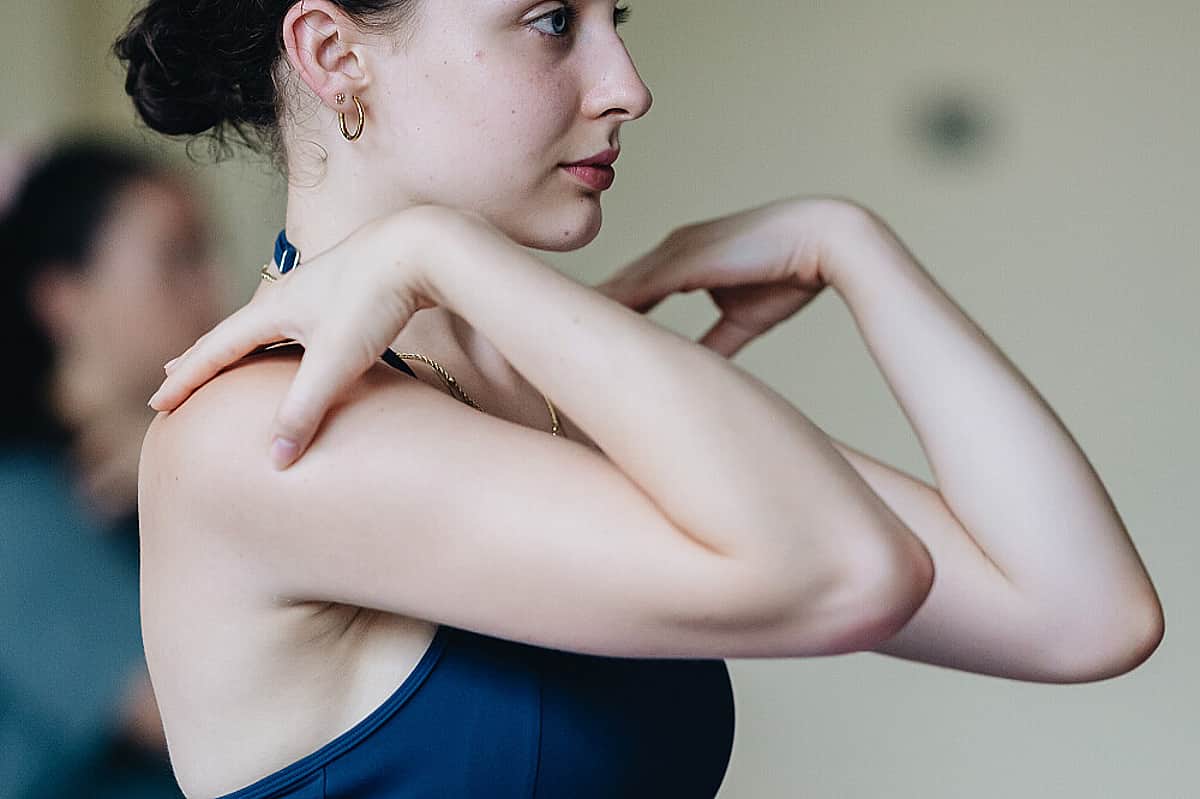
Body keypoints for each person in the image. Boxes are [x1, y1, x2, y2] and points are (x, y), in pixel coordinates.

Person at [119, 1, 1165, 797]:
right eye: (552, 21)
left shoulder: (550, 386)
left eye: (614, 21)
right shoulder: (263, 431)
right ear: (337, 56)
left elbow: (1082, 614)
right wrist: (432, 248)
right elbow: (853, 570)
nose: (627, 85)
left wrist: (846, 243)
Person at [0, 137, 223, 798]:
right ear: (62, 297)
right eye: (176, 259)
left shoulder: (153, 460)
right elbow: (200, 717)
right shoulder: (20, 509)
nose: (216, 288)